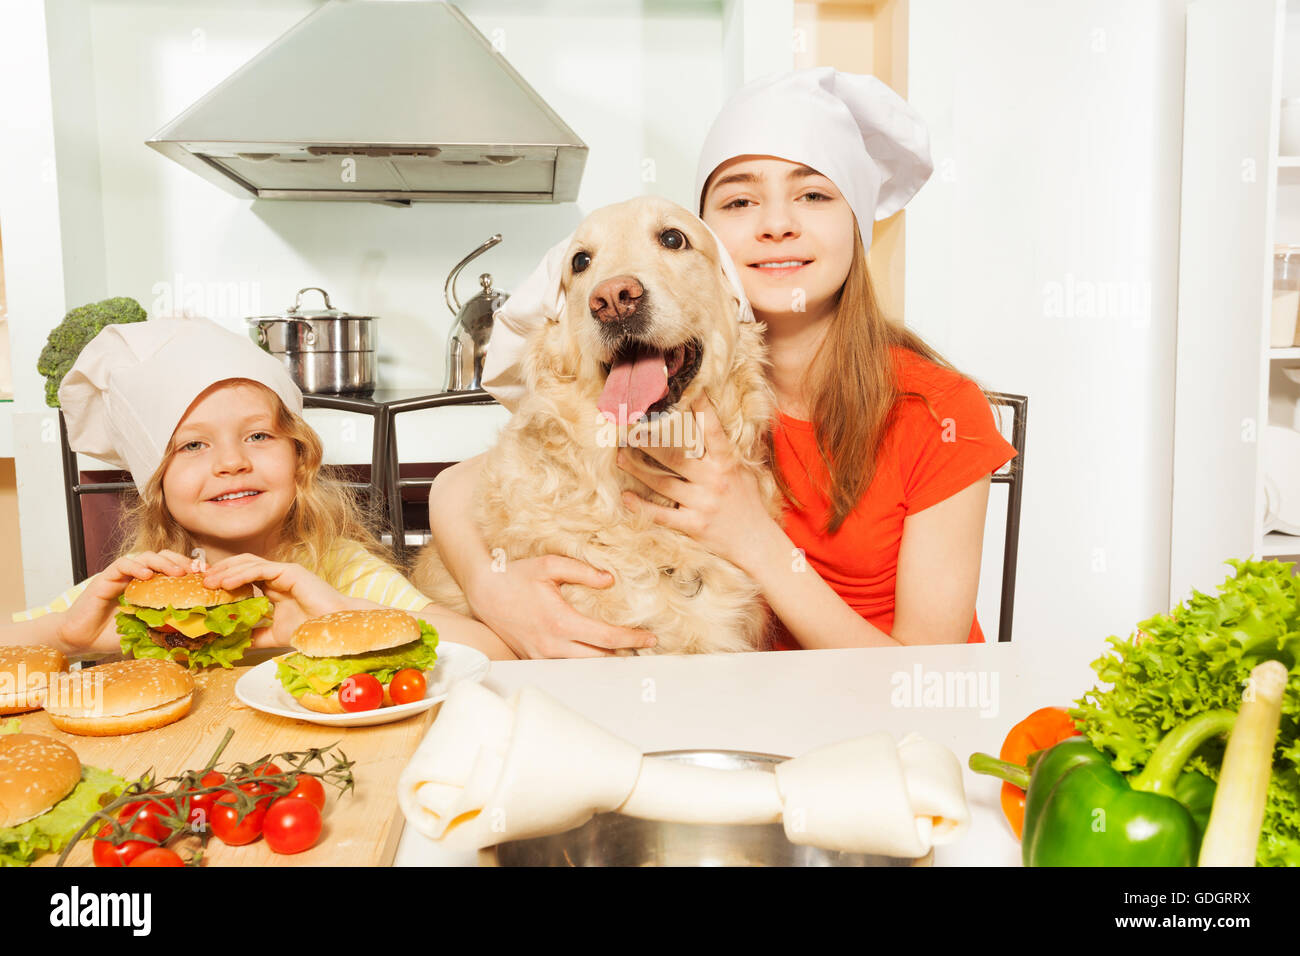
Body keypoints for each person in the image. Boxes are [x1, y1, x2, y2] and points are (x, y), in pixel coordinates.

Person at [428, 68, 1017, 656]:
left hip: (884, 721)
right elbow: (458, 485)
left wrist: (752, 537)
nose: (777, 224)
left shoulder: (940, 410)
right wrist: (491, 586)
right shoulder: (688, 393)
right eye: (740, 200)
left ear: (857, 225)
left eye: (813, 195)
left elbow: (931, 682)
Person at [3, 317, 513, 661]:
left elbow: (490, 650)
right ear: (156, 486)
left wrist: (335, 612)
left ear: (299, 456)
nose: (231, 462)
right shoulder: (142, 590)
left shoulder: (337, 569)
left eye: (258, 435)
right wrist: (68, 636)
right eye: (192, 446)